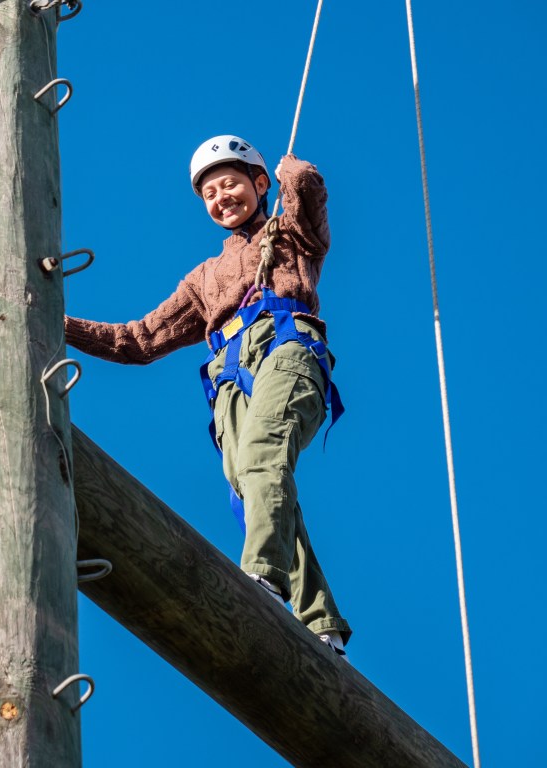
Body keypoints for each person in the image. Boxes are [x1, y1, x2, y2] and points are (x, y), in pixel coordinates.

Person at [64, 135, 352, 655]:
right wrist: (60, 324)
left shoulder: (291, 235)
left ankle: (261, 575)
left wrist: (290, 172)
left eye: (231, 184)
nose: (222, 199)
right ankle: (319, 619)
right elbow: (138, 340)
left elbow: (308, 189)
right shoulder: (204, 280)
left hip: (286, 351)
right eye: (210, 194)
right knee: (250, 483)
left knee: (265, 455)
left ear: (258, 185)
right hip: (231, 379)